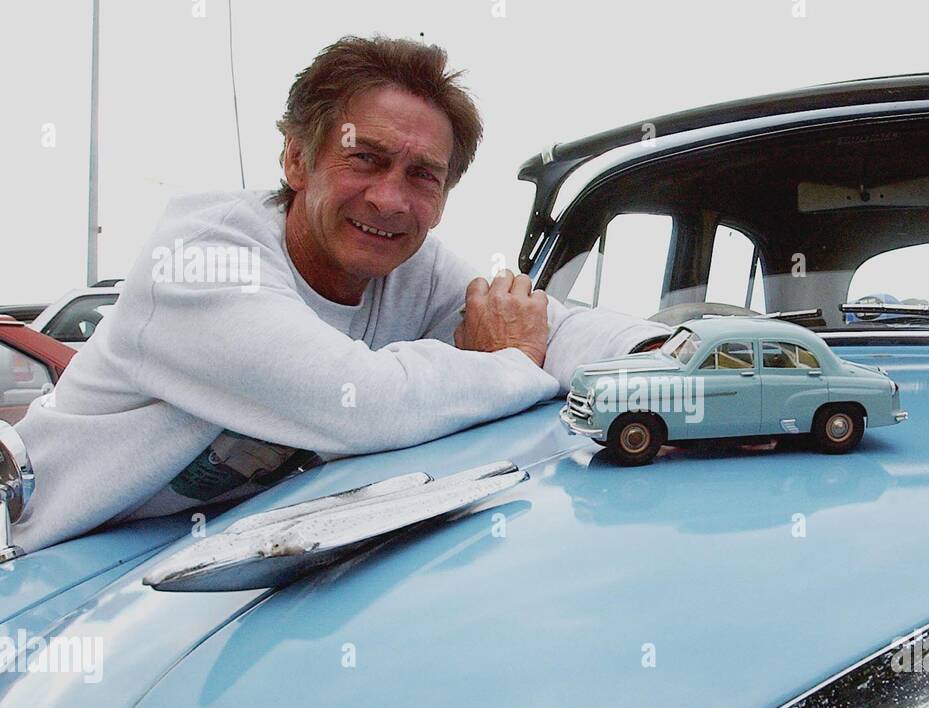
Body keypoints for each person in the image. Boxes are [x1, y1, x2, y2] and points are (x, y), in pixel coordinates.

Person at [11, 35, 667, 553]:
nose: (390, 198)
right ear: (296, 160)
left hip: (180, 560)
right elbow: (360, 403)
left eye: (422, 176)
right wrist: (511, 365)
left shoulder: (410, 265)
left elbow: (540, 323)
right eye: (365, 159)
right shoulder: (202, 259)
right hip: (43, 557)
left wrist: (672, 357)